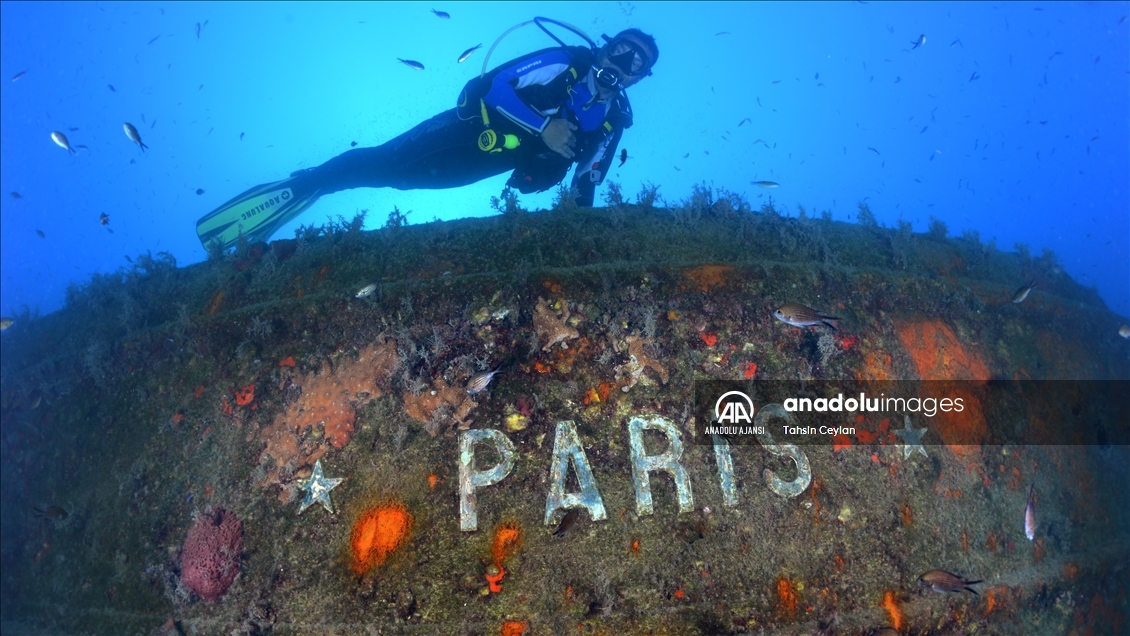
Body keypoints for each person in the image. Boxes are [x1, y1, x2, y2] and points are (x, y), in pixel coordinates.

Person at [197, 25, 658, 251]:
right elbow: (496, 88)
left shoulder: (613, 119)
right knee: (385, 163)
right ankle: (305, 184)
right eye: (622, 49)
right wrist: (544, 127)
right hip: (466, 131)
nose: (624, 63)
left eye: (637, 64)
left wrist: (581, 238)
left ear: (640, 80)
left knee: (398, 181)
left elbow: (587, 180)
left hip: (482, 165)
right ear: (605, 44)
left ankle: (319, 179)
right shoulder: (566, 60)